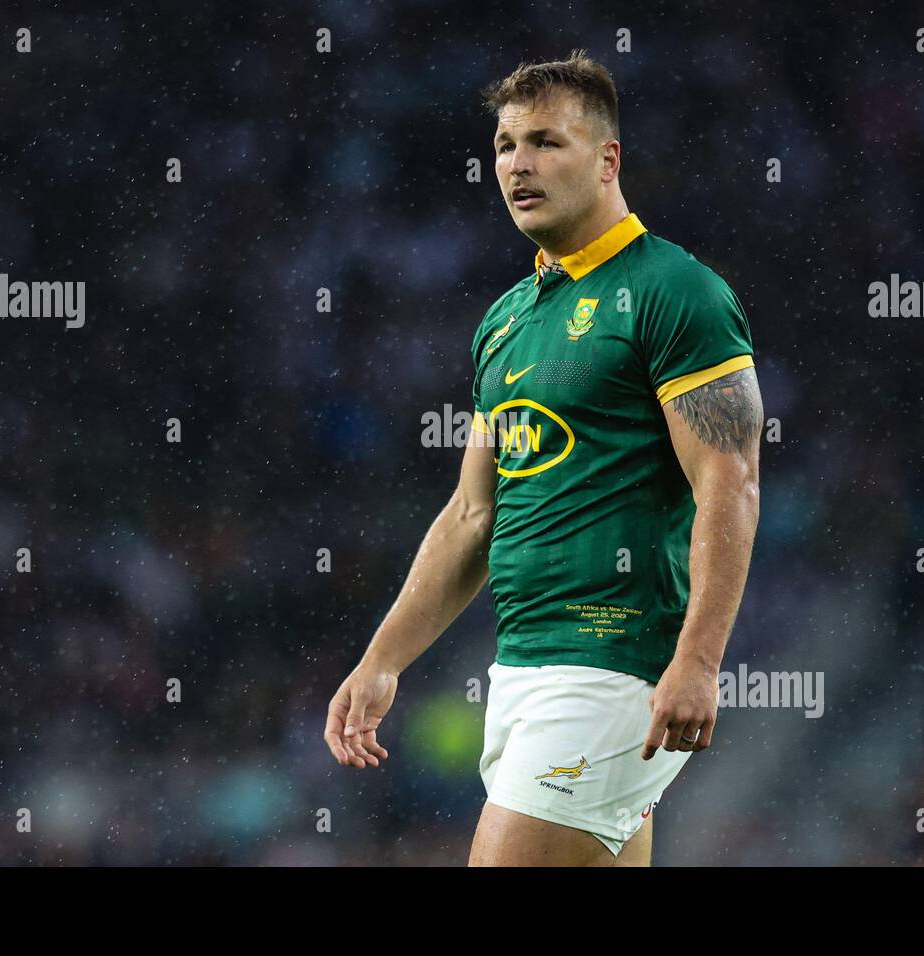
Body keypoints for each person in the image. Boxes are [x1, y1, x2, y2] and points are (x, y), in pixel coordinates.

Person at [324, 49, 763, 867]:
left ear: (608, 159)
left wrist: (700, 661)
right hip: (522, 668)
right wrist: (382, 660)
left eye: (546, 142)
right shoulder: (505, 321)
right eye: (505, 145)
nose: (518, 164)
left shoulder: (677, 292)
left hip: (613, 665)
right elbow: (472, 515)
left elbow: (729, 483)